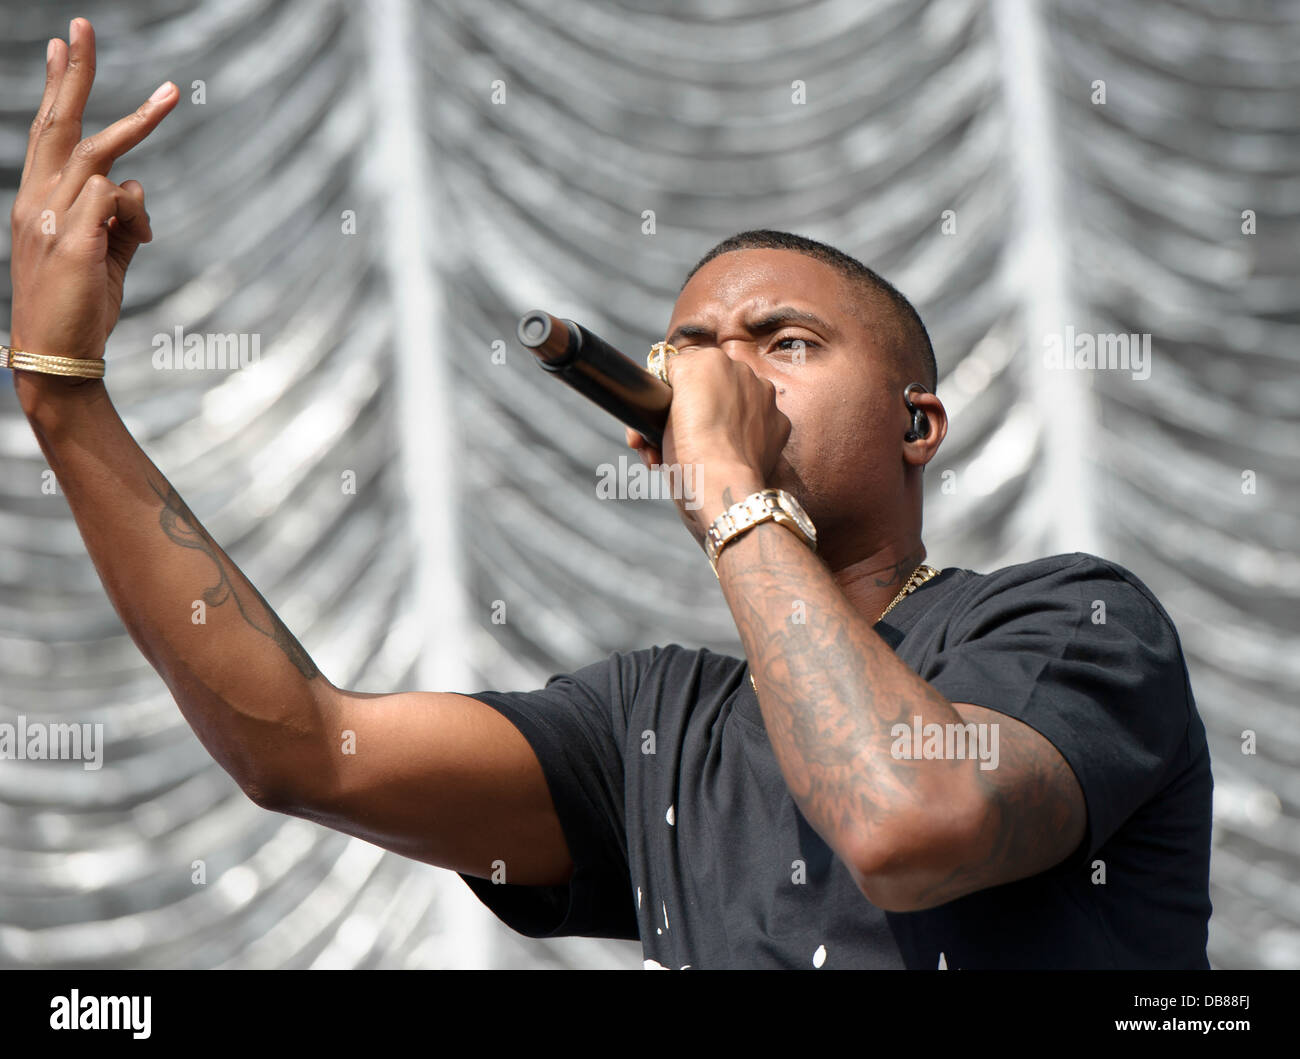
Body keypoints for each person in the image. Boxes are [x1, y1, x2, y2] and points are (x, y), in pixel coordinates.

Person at [8, 19, 1211, 970]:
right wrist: (65, 394)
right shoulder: (653, 727)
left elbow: (909, 823)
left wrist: (739, 494)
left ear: (917, 424)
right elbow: (308, 752)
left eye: (782, 341)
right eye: (692, 349)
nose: (722, 369)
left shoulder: (1069, 624)